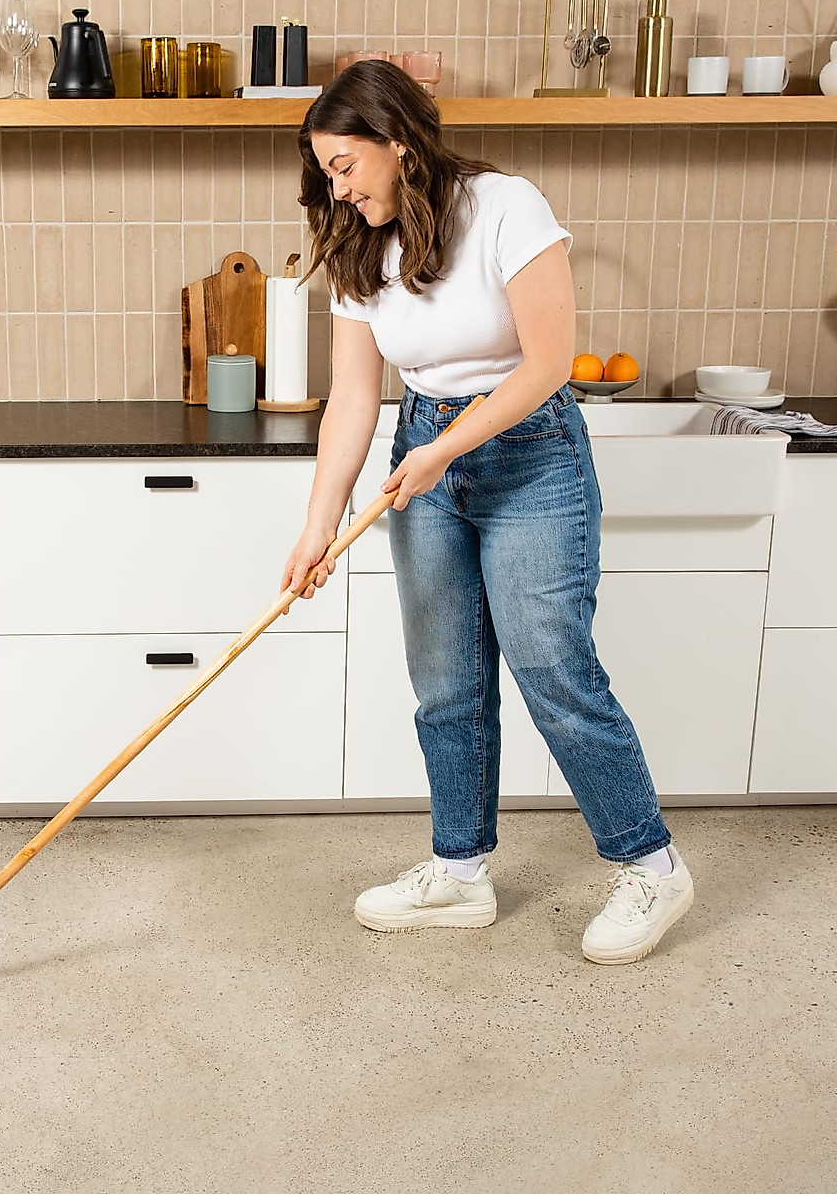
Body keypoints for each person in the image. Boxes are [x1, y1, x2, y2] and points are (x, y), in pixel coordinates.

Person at [281, 60, 693, 965]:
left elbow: (548, 363)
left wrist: (444, 451)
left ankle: (652, 866)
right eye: (326, 173)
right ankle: (459, 871)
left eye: (345, 166)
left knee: (554, 669)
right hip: (424, 450)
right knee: (446, 682)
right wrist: (319, 525)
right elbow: (353, 399)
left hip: (529, 454)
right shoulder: (358, 246)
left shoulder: (506, 207)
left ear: (398, 142)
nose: (337, 190)